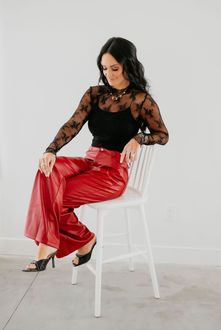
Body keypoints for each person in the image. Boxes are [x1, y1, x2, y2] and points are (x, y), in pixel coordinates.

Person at [22, 37, 169, 272]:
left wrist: (139, 138)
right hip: (89, 162)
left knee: (52, 194)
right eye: (104, 68)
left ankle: (50, 244)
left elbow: (162, 135)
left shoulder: (141, 100)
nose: (109, 74)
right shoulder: (94, 94)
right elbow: (73, 124)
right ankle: (84, 239)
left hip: (112, 173)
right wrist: (51, 151)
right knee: (47, 170)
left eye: (115, 68)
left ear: (128, 65)